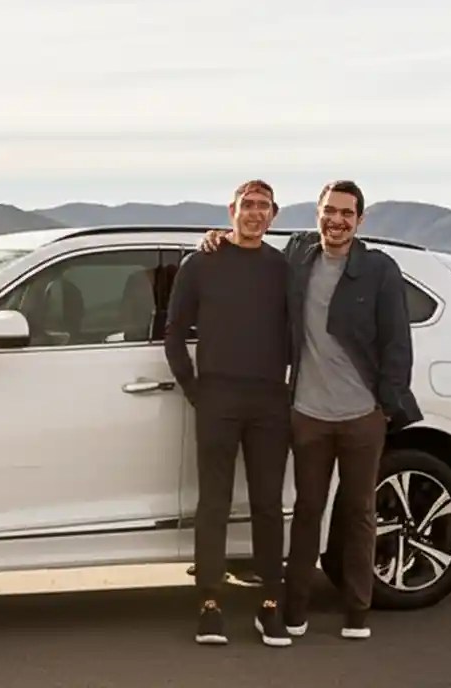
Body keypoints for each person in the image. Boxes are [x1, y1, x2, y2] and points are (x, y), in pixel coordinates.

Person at [200, 179, 422, 640]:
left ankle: (357, 611)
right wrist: (217, 238)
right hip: (307, 413)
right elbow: (250, 245)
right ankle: (294, 608)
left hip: (361, 415)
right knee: (306, 510)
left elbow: (397, 344)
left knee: (360, 513)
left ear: (360, 220)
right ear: (316, 214)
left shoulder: (379, 270)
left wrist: (384, 406)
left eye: (346, 213)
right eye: (329, 211)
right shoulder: (299, 256)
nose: (336, 220)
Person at [164, 179, 293, 648]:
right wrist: (195, 389)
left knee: (267, 505)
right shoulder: (202, 262)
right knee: (213, 504)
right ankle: (210, 606)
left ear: (274, 215)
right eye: (247, 205)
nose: (255, 213)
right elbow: (174, 331)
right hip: (216, 397)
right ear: (231, 210)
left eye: (263, 207)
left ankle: (270, 607)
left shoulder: (283, 268)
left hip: (269, 401)